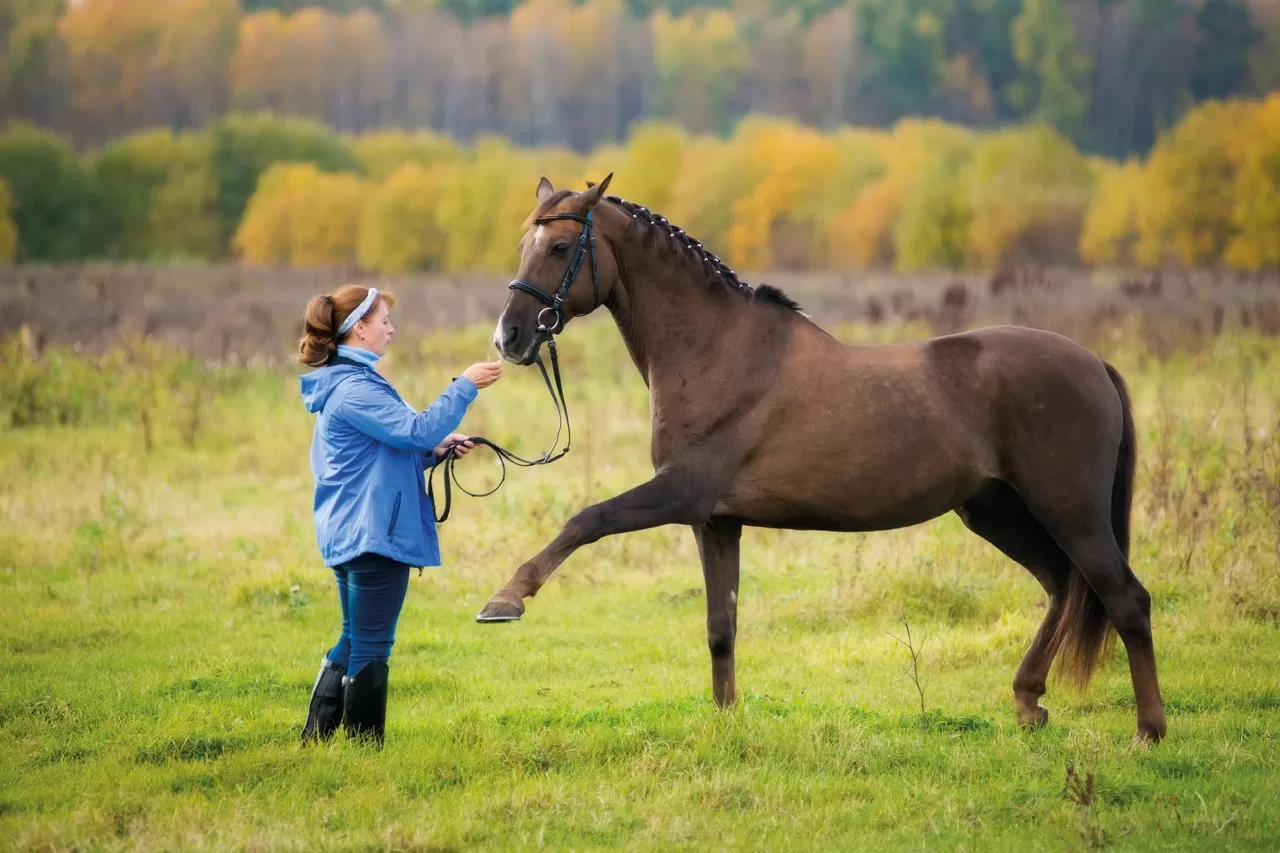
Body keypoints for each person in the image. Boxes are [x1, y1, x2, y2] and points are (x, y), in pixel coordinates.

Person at [295, 283, 502, 746]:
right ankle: (364, 752)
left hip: (356, 533)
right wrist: (465, 385)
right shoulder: (354, 390)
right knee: (371, 645)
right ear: (359, 329)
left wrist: (436, 450)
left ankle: (317, 740)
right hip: (374, 536)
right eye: (383, 320)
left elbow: (391, 449)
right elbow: (413, 430)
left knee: (353, 639)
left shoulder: (350, 384)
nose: (391, 328)